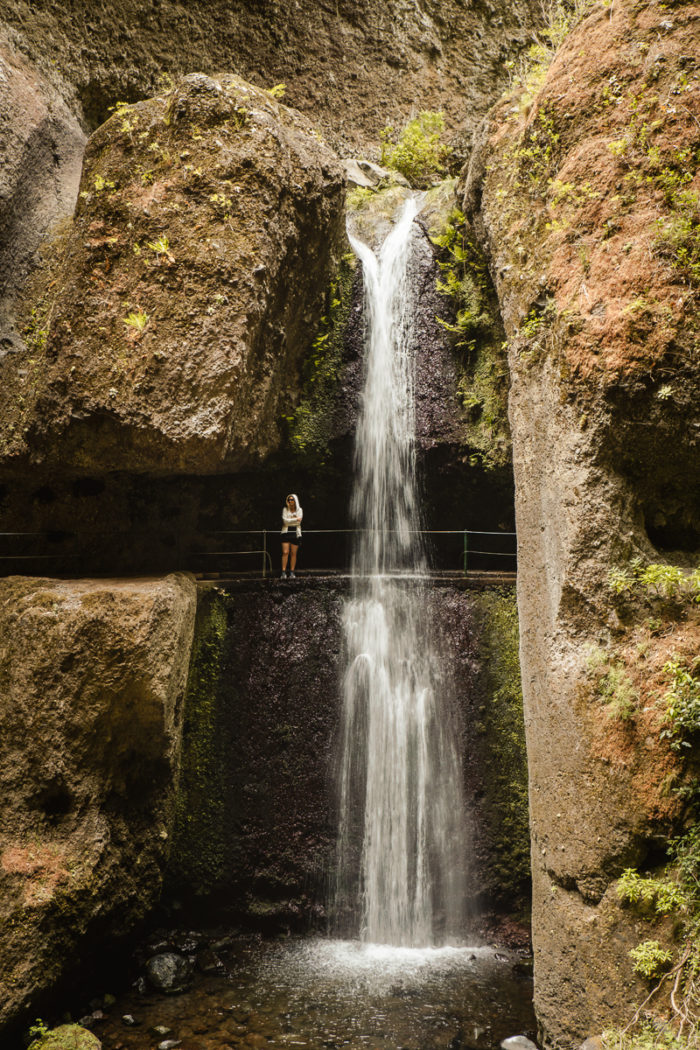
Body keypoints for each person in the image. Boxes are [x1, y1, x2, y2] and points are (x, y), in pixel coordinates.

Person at [280, 494, 303, 578]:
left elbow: (298, 523)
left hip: (295, 533)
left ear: (295, 500)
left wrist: (290, 519)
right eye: (289, 499)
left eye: (292, 499)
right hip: (286, 533)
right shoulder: (285, 509)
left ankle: (292, 572)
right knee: (285, 552)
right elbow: (285, 522)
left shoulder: (299, 510)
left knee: (293, 553)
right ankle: (283, 572)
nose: (290, 501)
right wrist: (295, 519)